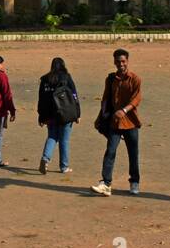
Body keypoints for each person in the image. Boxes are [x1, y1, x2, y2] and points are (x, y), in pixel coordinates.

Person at [91, 49, 141, 196]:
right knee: (110, 151)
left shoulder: (135, 79)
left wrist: (124, 111)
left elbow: (136, 99)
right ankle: (106, 183)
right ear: (114, 62)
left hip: (130, 122)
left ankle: (134, 181)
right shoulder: (111, 79)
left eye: (123, 61)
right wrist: (100, 117)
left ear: (127, 61)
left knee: (133, 153)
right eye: (118, 61)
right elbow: (105, 99)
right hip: (114, 123)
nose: (121, 64)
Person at [36, 57, 80, 175]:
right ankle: (64, 166)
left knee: (52, 136)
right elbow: (74, 95)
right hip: (65, 113)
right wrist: (77, 113)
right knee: (64, 140)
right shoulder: (66, 77)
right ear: (63, 65)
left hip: (49, 115)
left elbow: (41, 99)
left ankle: (45, 158)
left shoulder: (45, 79)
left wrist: (41, 116)